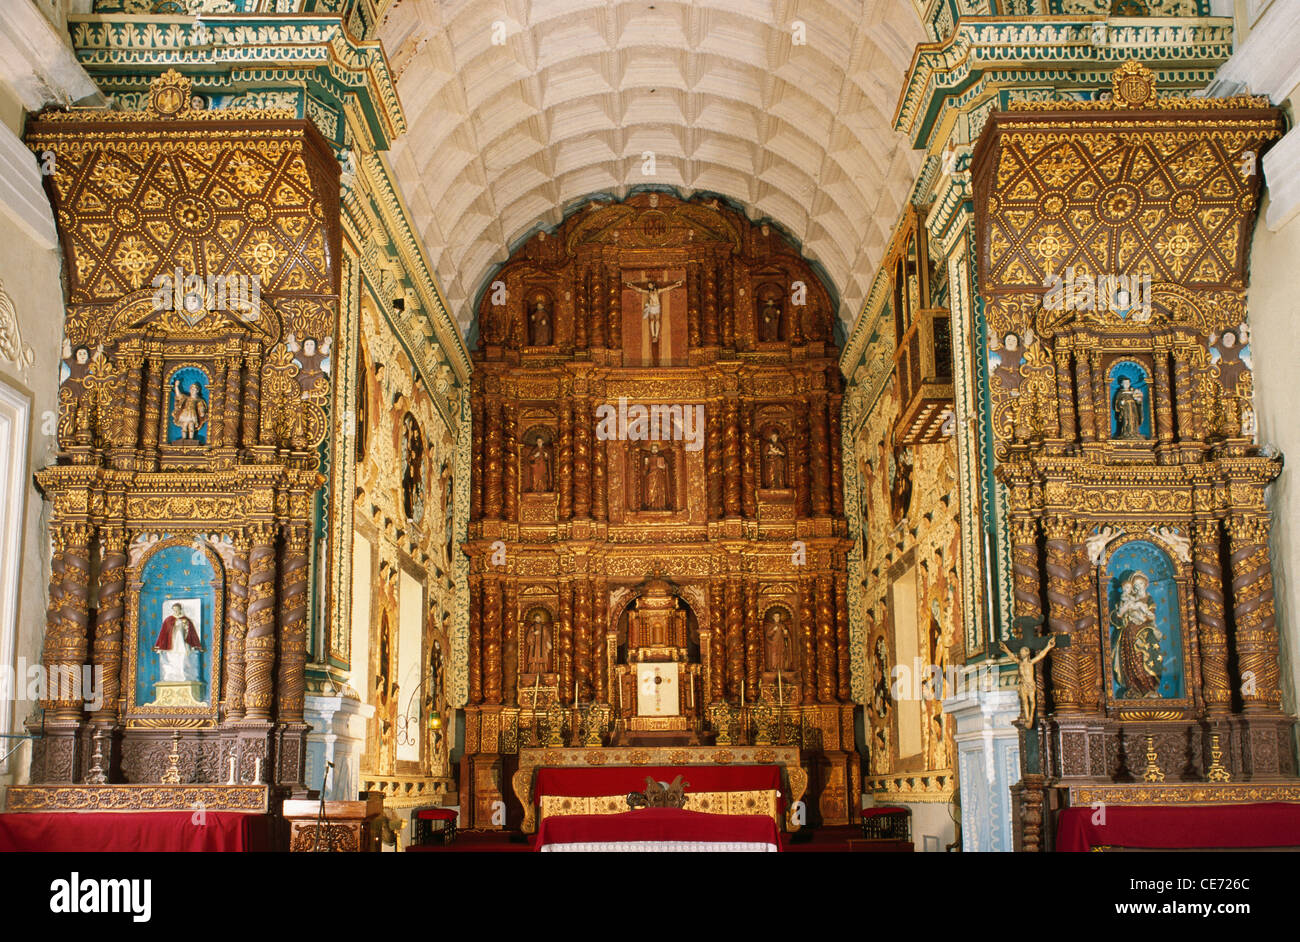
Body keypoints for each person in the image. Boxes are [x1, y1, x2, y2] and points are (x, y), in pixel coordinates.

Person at [154, 602, 202, 682]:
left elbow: (190, 632)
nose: (176, 611)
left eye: (177, 610)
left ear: (180, 609)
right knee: (172, 659)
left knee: (183, 659)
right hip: (172, 643)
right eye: (174, 610)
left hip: (182, 643)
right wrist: (160, 646)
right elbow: (164, 633)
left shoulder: (186, 619)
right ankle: (172, 676)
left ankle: (184, 675)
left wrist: (185, 625)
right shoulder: (169, 620)